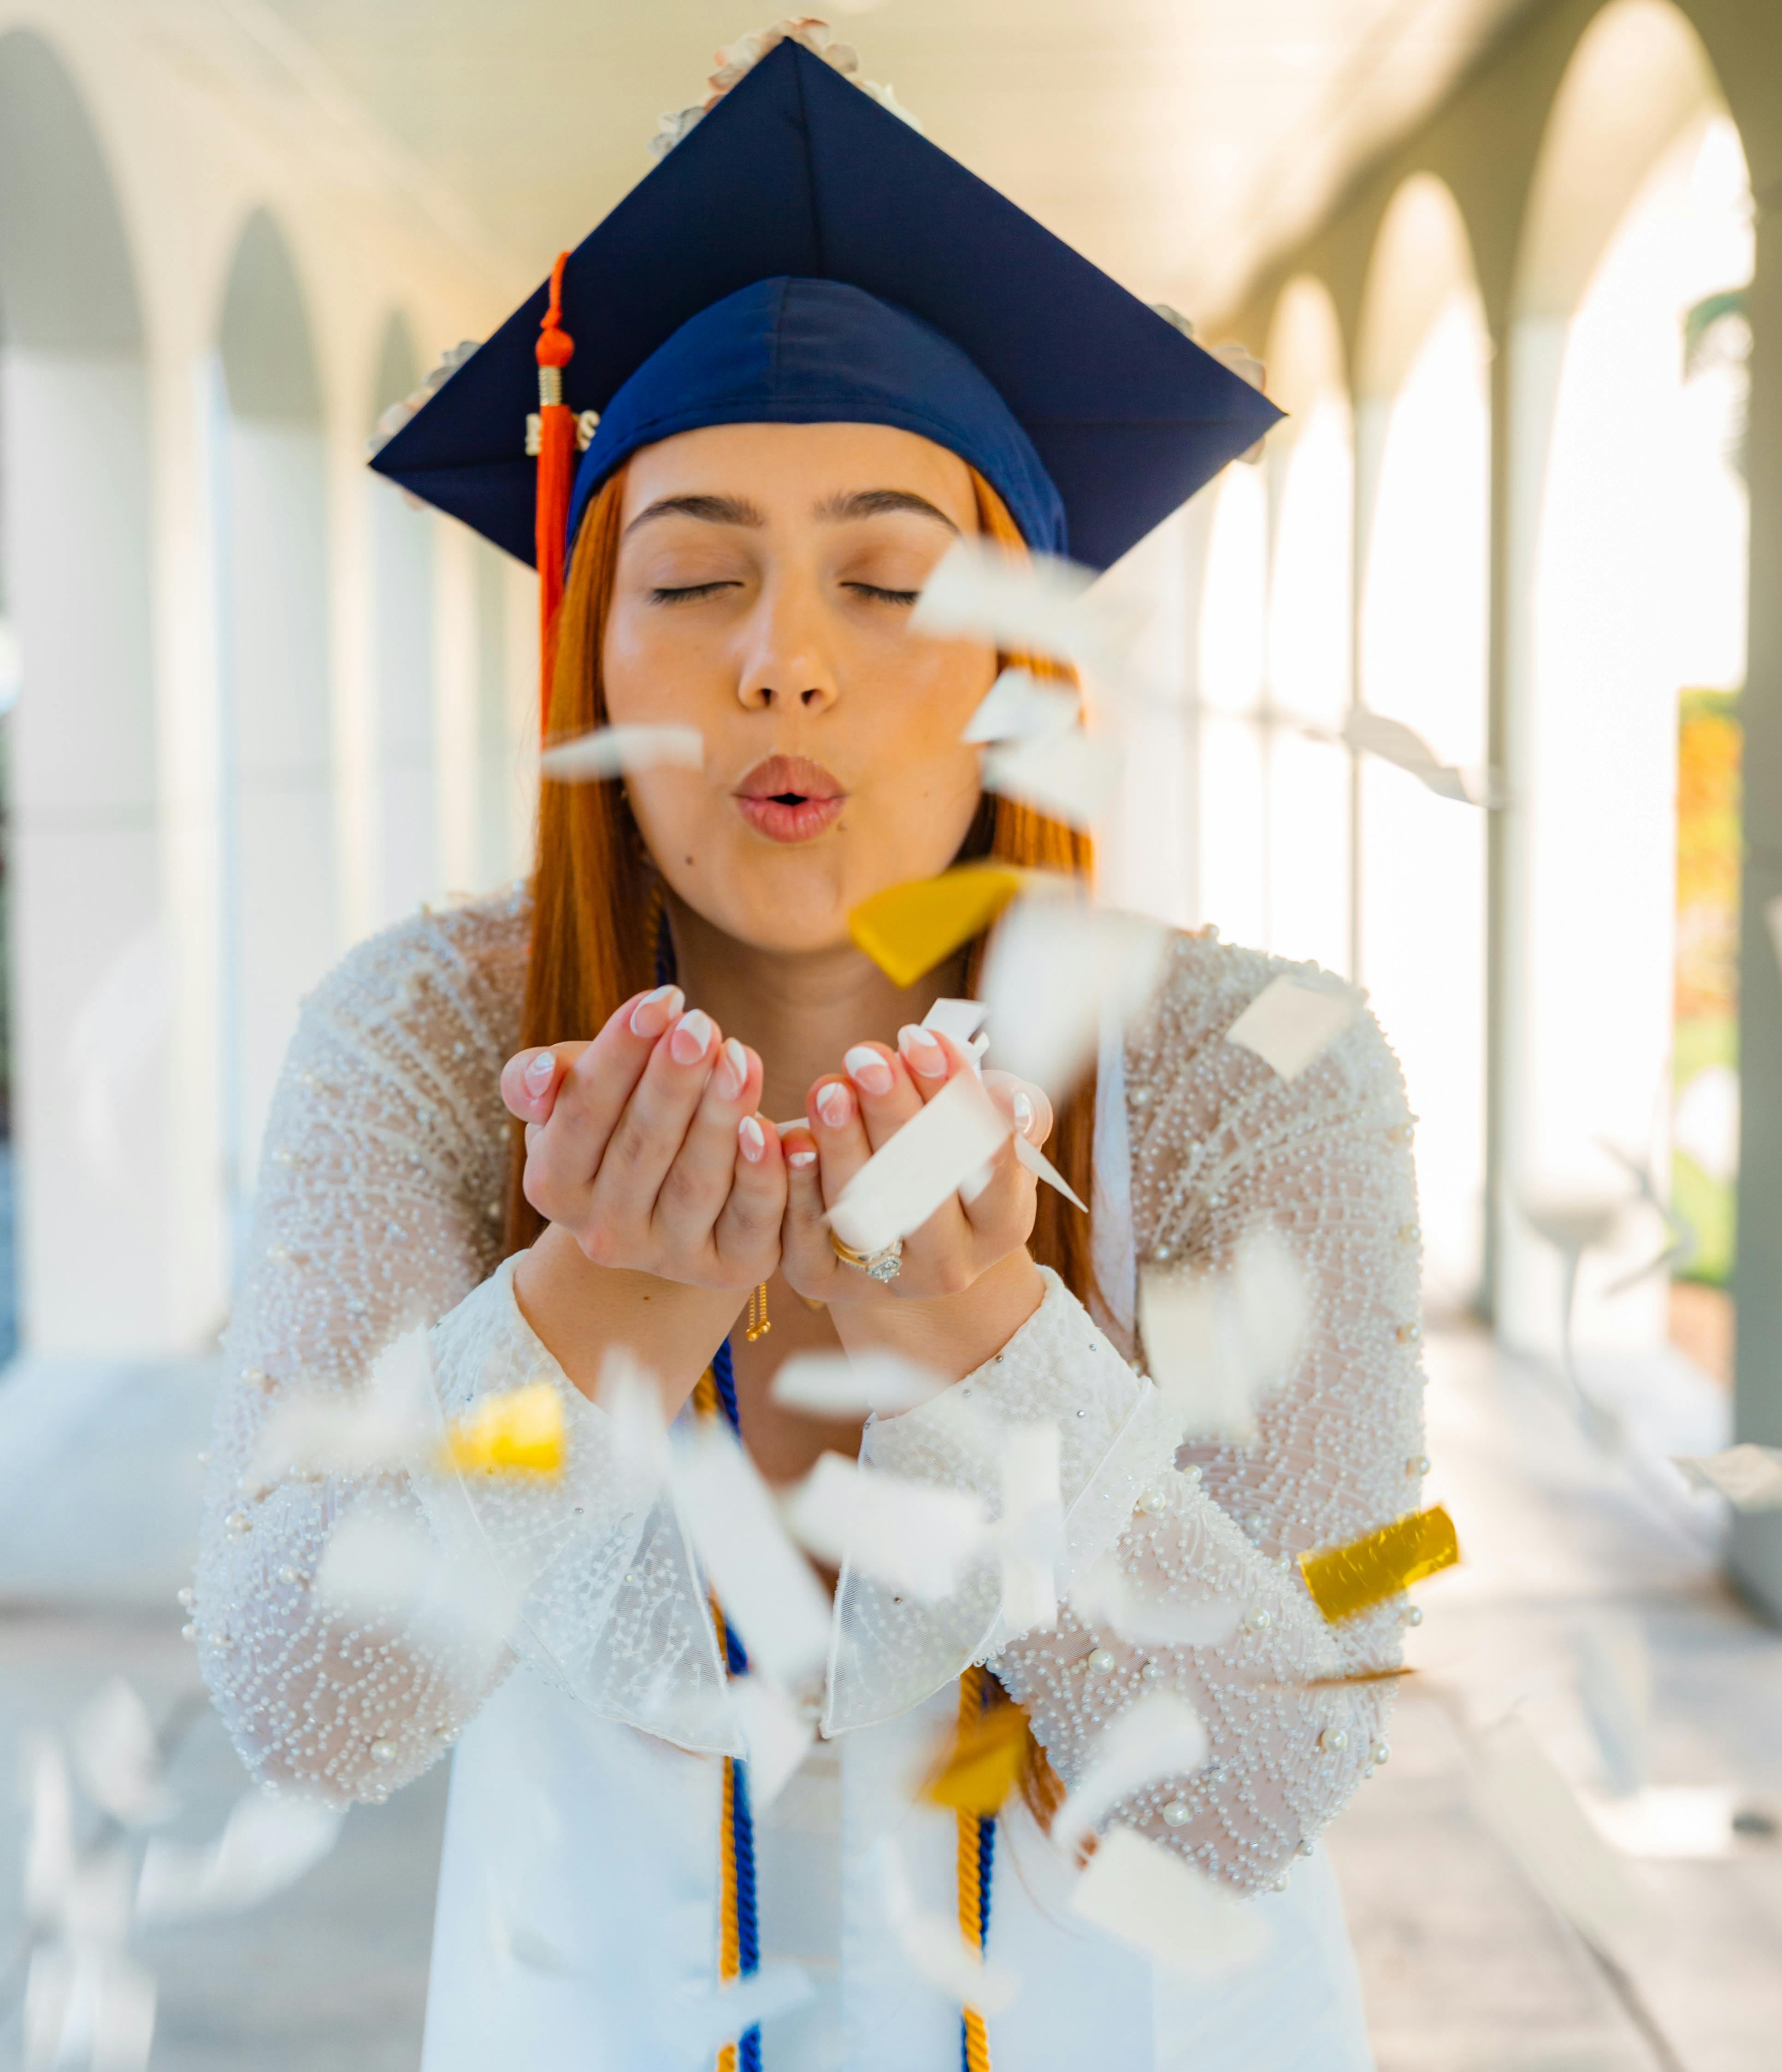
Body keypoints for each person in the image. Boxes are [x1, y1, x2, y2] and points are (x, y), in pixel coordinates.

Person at [196, 25, 1424, 2072]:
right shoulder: (421, 1045)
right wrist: (587, 1310)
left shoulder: (1256, 1074)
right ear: (587, 642)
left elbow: (1268, 1776)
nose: (782, 653)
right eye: (687, 575)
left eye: (887, 575)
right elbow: (309, 1702)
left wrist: (997, 1353)